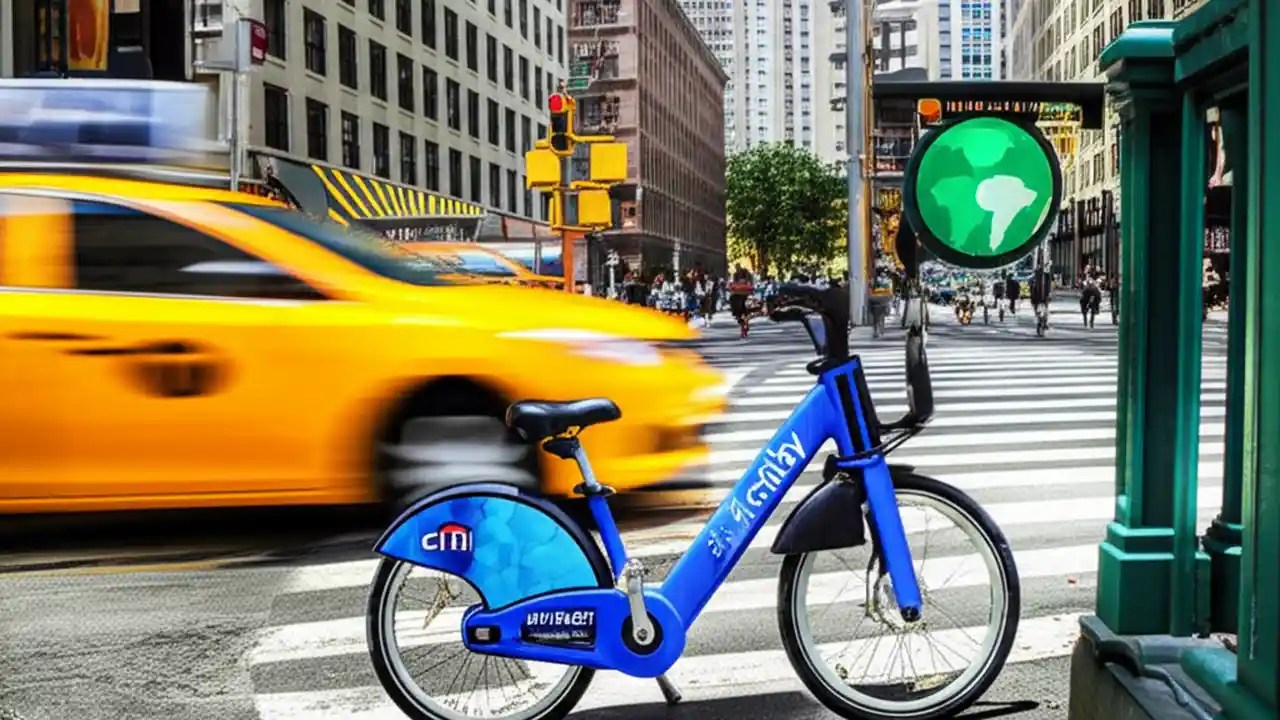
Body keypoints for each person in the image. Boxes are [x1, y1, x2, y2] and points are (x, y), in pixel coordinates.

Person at [728, 265, 754, 339]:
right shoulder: (736, 275)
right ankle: (744, 327)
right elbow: (730, 285)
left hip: (742, 296)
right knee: (742, 314)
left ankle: (744, 327)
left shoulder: (747, 275)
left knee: (743, 313)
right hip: (739, 296)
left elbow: (730, 286)